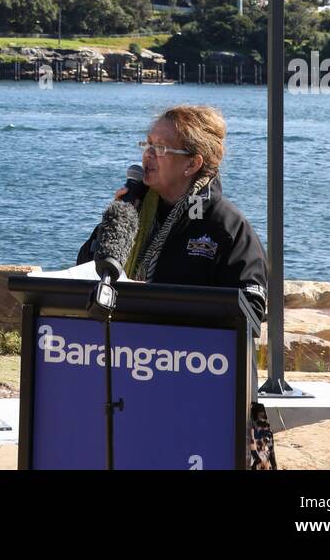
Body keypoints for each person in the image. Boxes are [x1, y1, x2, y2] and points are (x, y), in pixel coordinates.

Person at [77, 103, 276, 469]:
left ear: (192, 163)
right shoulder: (130, 212)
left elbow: (250, 312)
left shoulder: (226, 227)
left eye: (161, 147)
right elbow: (86, 273)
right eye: (147, 143)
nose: (147, 154)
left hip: (199, 392)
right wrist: (112, 227)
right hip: (126, 380)